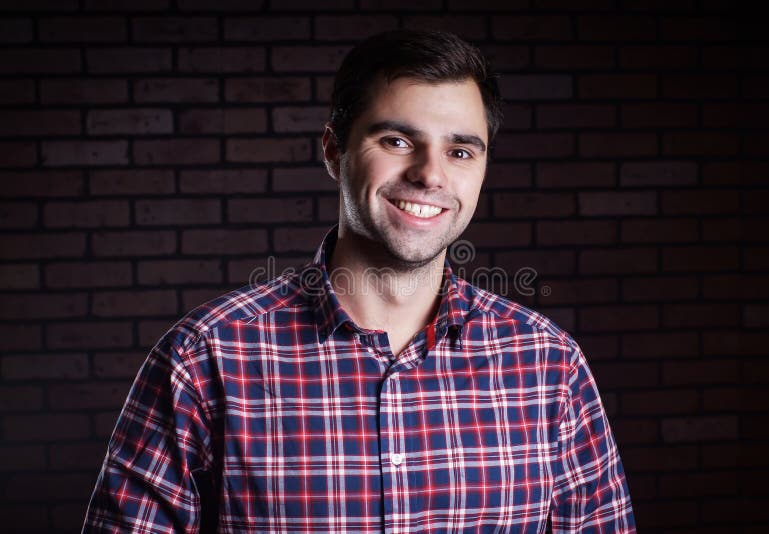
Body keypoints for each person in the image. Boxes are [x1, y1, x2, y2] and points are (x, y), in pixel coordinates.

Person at [83, 30, 635, 533]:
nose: (430, 174)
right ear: (333, 150)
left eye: (460, 151)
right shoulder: (206, 358)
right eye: (397, 141)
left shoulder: (550, 366)